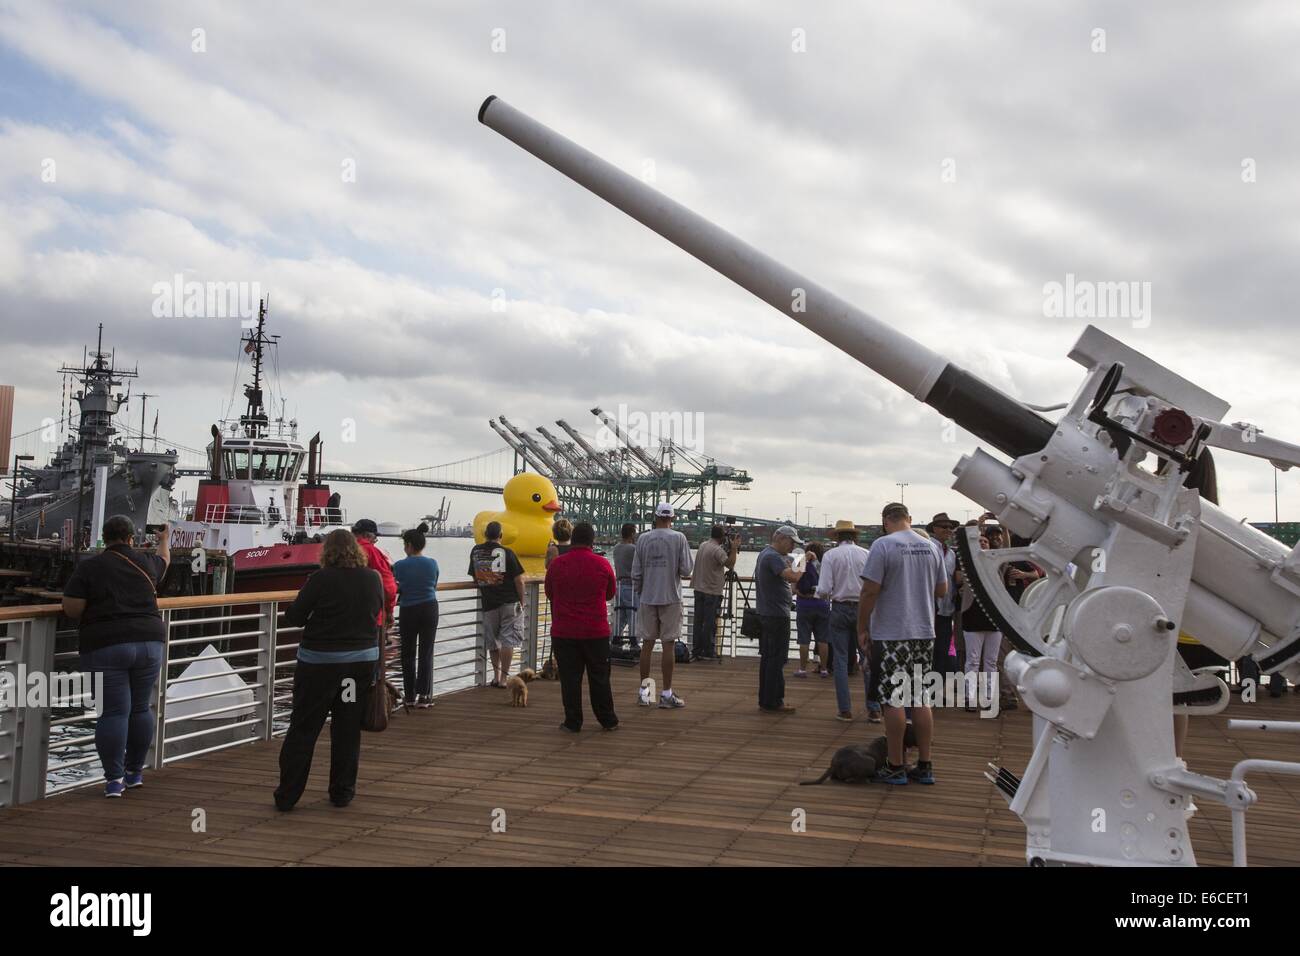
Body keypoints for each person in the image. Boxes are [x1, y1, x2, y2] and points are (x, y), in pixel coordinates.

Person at [61, 515, 170, 798]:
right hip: (149, 642)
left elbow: (72, 608)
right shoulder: (146, 563)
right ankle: (135, 773)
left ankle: (113, 781)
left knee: (114, 712)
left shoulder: (90, 567)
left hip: (107, 644)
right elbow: (164, 561)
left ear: (105, 538)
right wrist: (164, 540)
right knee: (140, 708)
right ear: (131, 538)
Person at [275, 529, 383, 810]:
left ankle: (288, 795)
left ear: (327, 552)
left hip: (320, 666)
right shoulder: (372, 578)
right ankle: (342, 791)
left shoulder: (320, 579)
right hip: (357, 666)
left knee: (304, 727)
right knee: (347, 727)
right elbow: (376, 611)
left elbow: (296, 617)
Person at [858, 503, 947, 785]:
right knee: (920, 697)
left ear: (886, 521)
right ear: (909, 519)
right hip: (924, 632)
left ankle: (895, 764)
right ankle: (925, 764)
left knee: (893, 699)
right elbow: (942, 590)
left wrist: (862, 627)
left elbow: (870, 590)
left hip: (892, 633)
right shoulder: (930, 546)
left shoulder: (883, 546)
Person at [546, 521, 620, 732]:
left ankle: (573, 721)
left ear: (573, 539)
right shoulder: (603, 564)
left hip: (564, 630)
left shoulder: (557, 564)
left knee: (570, 678)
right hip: (595, 630)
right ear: (592, 541)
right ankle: (607, 719)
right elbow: (610, 593)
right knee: (599, 676)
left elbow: (550, 592)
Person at [631, 502, 693, 709]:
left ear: (655, 517)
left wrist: (642, 591)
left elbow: (636, 573)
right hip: (671, 597)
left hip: (647, 597)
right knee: (668, 645)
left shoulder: (643, 539)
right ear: (673, 518)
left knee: (646, 645)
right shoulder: (679, 538)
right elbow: (686, 570)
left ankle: (645, 693)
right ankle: (666, 694)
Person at [817, 519, 878, 721]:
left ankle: (845, 710)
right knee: (868, 658)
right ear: (854, 536)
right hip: (864, 609)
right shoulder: (867, 554)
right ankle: (874, 708)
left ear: (836, 537)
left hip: (840, 609)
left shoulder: (830, 556)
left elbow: (824, 589)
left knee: (841, 660)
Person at [468, 520, 527, 687]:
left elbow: (475, 577)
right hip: (509, 602)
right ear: (500, 536)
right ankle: (503, 679)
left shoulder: (476, 551)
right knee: (508, 640)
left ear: (485, 534)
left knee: (493, 641)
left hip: (489, 603)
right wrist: (522, 601)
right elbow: (519, 580)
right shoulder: (507, 552)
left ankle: (495, 676)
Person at [755, 526, 805, 713]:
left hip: (769, 614)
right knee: (776, 659)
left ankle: (767, 699)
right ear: (782, 539)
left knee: (769, 659)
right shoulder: (772, 557)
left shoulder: (765, 554)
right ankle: (774, 701)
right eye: (791, 542)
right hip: (776, 616)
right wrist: (802, 561)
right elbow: (793, 576)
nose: (792, 547)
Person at [392, 524, 440, 708]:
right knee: (426, 652)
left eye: (405, 545)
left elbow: (393, 583)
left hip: (408, 610)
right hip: (429, 608)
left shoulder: (399, 565)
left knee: (408, 653)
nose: (404, 548)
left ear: (409, 545)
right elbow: (434, 584)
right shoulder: (432, 563)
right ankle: (424, 696)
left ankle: (410, 696)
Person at [956, 531, 1001, 712]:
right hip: (973, 615)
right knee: (972, 660)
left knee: (991, 661)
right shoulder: (967, 562)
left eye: (985, 541)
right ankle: (970, 697)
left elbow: (1005, 546)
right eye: (980, 541)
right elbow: (959, 580)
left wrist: (1003, 529)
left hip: (994, 618)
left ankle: (990, 698)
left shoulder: (997, 563)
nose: (983, 544)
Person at [690, 524, 737, 659]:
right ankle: (708, 651)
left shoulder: (703, 545)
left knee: (698, 621)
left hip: (699, 588)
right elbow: (730, 564)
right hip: (711, 590)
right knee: (710, 622)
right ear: (722, 537)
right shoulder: (717, 550)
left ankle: (697, 650)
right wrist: (733, 549)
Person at [927, 513, 961, 683]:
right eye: (943, 527)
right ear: (934, 529)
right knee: (929, 651)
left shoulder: (952, 554)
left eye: (950, 527)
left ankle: (936, 692)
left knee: (942, 650)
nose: (948, 530)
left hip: (947, 609)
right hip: (930, 608)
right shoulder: (928, 548)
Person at [352, 518, 397, 631]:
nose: (375, 541)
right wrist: (390, 611)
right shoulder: (372, 552)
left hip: (343, 618)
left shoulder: (341, 551)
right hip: (370, 616)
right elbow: (388, 586)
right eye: (375, 538)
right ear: (367, 536)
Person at [794, 541, 829, 678]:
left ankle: (802, 669)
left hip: (804, 605)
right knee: (823, 639)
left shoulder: (800, 563)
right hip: (822, 605)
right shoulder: (823, 566)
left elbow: (793, 588)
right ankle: (824, 669)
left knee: (804, 639)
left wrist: (803, 594)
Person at [610, 523, 640, 651]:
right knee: (633, 614)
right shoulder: (633, 549)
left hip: (619, 585)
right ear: (632, 534)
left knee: (620, 615)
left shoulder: (616, 548)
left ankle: (615, 640)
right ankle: (634, 643)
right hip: (630, 585)